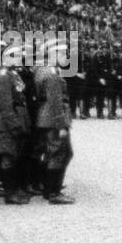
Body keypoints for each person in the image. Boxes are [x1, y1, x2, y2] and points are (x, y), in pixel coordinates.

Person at [34, 41, 75, 204]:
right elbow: (55, 102)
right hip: (53, 118)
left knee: (58, 152)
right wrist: (61, 125)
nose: (66, 57)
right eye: (63, 53)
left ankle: (49, 187)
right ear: (54, 53)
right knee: (59, 153)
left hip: (46, 117)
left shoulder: (42, 70)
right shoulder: (51, 73)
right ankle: (53, 192)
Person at [0, 43, 32, 205]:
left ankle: (16, 189)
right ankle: (9, 193)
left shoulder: (14, 74)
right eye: (15, 55)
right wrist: (14, 124)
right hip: (9, 122)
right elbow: (5, 104)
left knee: (16, 156)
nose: (18, 58)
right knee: (8, 156)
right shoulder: (4, 76)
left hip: (20, 118)